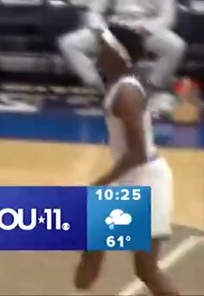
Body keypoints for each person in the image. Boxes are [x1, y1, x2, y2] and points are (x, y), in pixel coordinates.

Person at [72, 24, 177, 296]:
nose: (99, 51)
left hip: (147, 181)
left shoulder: (128, 93)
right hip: (129, 178)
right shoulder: (119, 87)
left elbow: (138, 153)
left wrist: (99, 183)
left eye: (105, 46)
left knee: (146, 269)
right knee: (88, 260)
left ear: (119, 54)